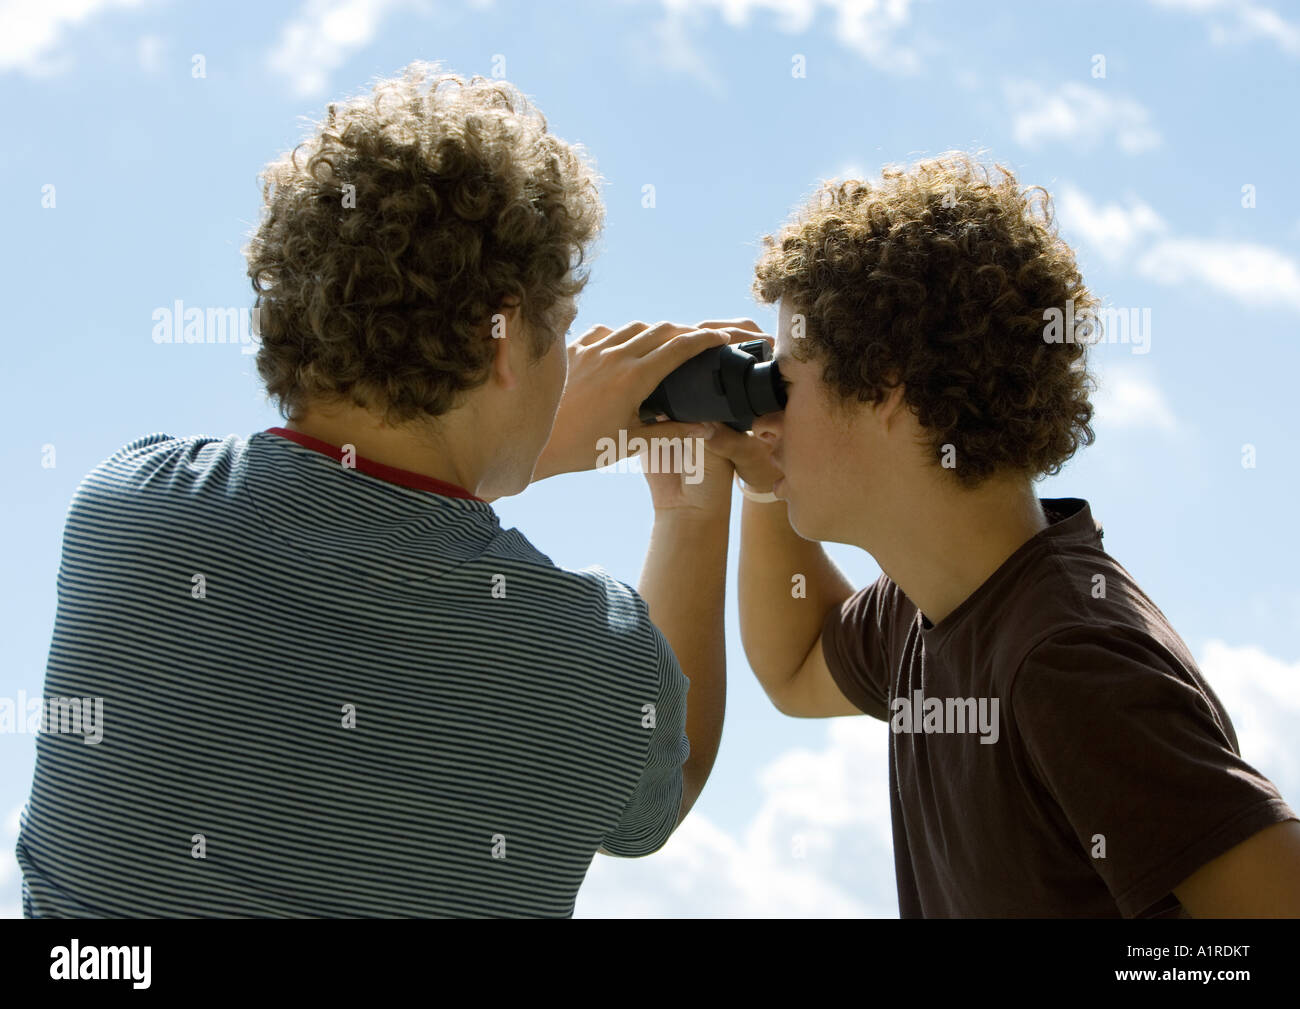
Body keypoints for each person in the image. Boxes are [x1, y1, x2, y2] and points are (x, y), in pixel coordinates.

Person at [15, 60, 737, 917]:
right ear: (501, 339)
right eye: (562, 336)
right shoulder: (593, 661)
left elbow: (356, 537)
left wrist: (496, 453)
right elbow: (670, 775)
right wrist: (689, 509)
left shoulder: (130, 510)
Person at [696, 151, 1300, 917]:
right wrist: (760, 475)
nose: (767, 415)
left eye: (783, 382)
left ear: (886, 386)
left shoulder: (1068, 661)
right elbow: (793, 664)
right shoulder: (933, 609)